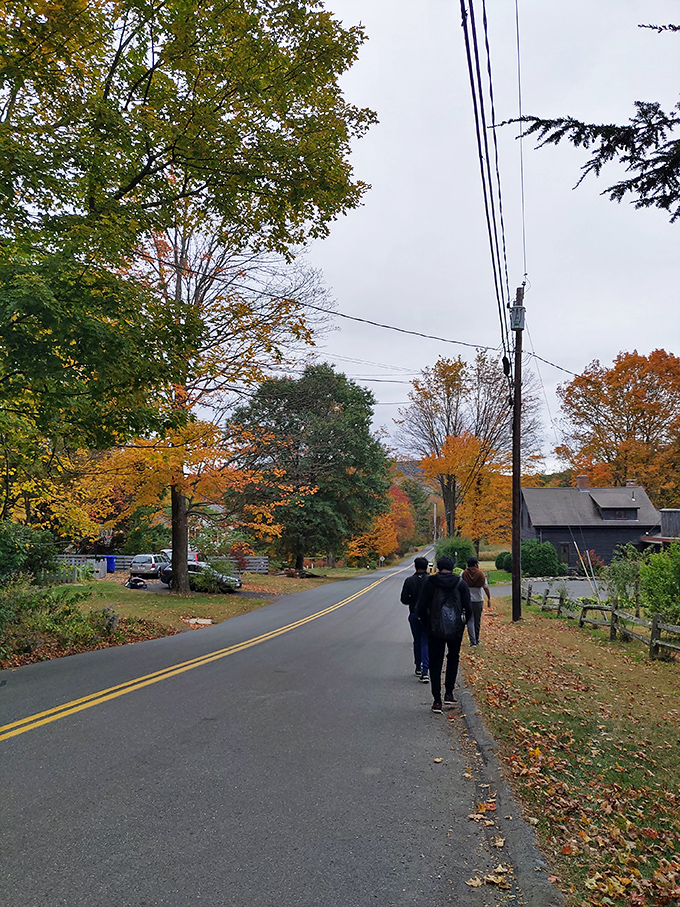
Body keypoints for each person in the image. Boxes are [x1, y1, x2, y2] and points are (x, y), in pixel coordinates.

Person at [417, 555, 472, 713]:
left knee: (435, 662)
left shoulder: (430, 583)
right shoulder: (461, 584)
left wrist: (427, 623)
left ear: (438, 567)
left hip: (434, 629)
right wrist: (462, 624)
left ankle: (436, 700)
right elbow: (468, 609)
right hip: (455, 629)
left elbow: (421, 607)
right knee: (453, 658)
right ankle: (449, 692)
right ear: (452, 566)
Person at [400, 556, 430, 682]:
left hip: (414, 613)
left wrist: (413, 599)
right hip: (428, 615)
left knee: (417, 640)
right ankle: (425, 669)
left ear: (415, 566)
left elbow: (404, 599)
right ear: (426, 566)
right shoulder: (430, 581)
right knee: (426, 641)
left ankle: (418, 665)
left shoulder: (409, 581)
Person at [461, 556, 491, 647]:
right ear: (475, 564)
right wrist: (489, 598)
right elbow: (485, 587)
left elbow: (459, 586)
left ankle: (472, 641)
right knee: (477, 621)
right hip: (478, 600)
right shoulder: (480, 574)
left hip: (467, 600)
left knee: (470, 620)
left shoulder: (464, 574)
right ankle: (477, 639)